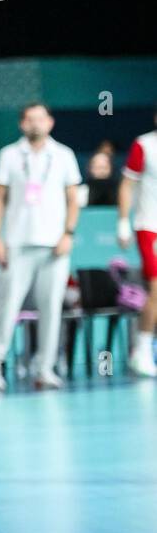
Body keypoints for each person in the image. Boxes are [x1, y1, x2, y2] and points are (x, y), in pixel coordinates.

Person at [0, 103, 81, 392]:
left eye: (41, 118)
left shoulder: (63, 155)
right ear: (22, 124)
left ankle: (45, 368)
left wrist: (68, 233)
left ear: (50, 122)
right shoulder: (9, 155)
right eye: (29, 119)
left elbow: (73, 198)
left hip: (54, 244)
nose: (35, 124)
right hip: (17, 242)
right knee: (8, 305)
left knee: (51, 307)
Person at [118, 111, 157, 377]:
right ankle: (141, 351)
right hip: (150, 226)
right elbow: (127, 185)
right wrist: (123, 221)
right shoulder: (144, 145)